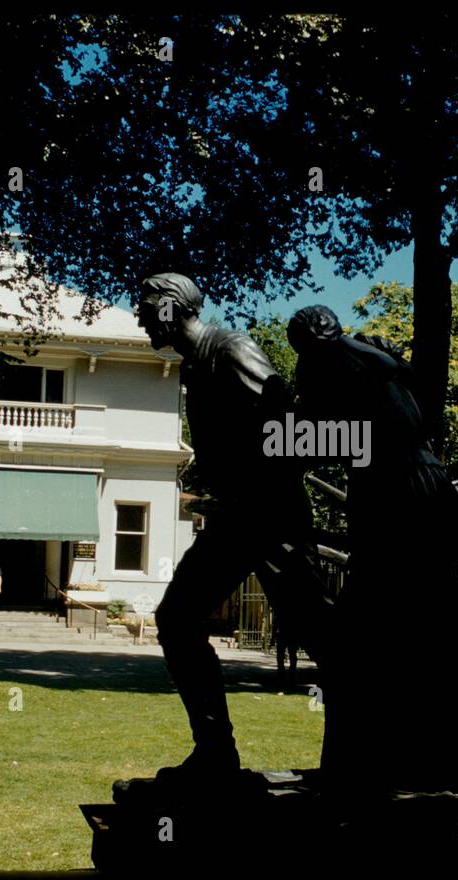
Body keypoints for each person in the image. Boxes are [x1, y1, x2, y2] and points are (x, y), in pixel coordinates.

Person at [288, 305, 458, 797]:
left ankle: (373, 767)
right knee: (429, 629)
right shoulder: (369, 366)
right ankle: (412, 761)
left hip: (404, 499)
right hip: (404, 493)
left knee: (375, 632)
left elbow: (320, 434)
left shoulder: (340, 362)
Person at [129, 272, 331, 798]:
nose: (139, 313)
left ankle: (360, 753)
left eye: (145, 303)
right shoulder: (197, 363)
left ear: (172, 306)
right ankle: (216, 753)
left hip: (267, 517)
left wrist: (254, 490)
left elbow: (289, 429)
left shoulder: (231, 350)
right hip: (241, 518)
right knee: (178, 619)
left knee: (322, 637)